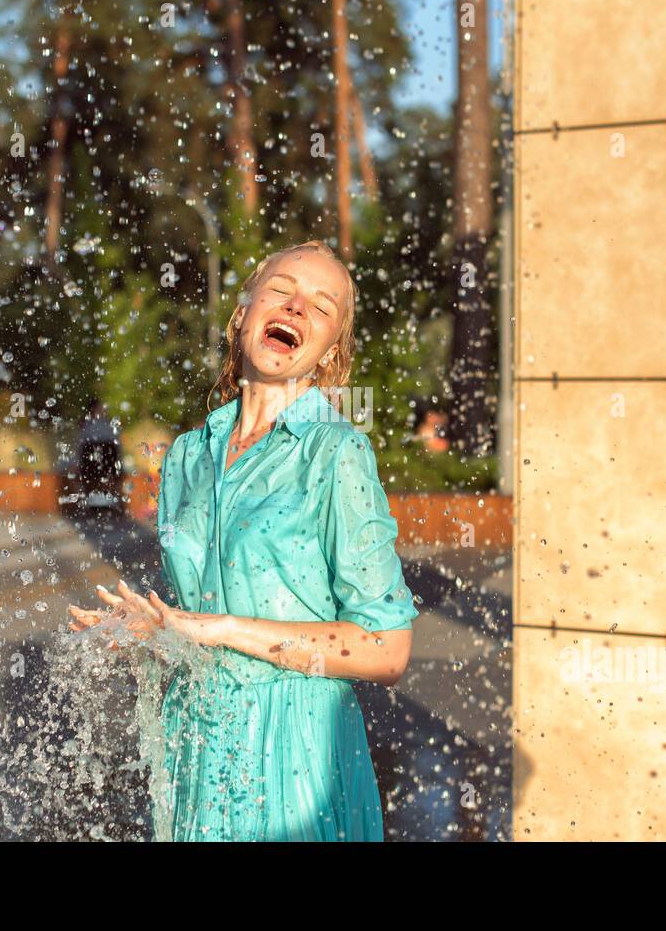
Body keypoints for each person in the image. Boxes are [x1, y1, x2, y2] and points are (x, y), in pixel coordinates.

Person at [68, 240, 417, 841]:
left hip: (299, 758)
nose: (298, 307)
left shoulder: (337, 454)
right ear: (244, 312)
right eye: (282, 290)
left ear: (331, 351)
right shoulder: (185, 456)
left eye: (322, 305)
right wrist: (158, 636)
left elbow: (387, 649)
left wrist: (224, 629)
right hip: (196, 749)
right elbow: (198, 618)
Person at [77, 399, 122, 511]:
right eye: (100, 408)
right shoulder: (89, 424)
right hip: (97, 458)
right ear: (93, 410)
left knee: (106, 468)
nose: (102, 411)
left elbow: (116, 443)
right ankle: (99, 500)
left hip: (104, 458)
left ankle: (104, 500)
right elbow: (82, 444)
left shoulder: (105, 424)